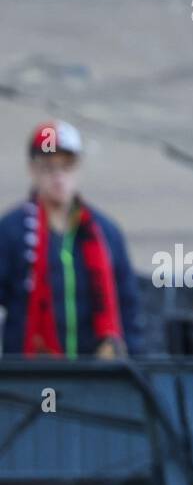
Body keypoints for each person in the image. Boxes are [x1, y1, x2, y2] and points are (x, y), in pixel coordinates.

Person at [0, 120, 139, 358]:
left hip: (93, 377)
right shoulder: (12, 231)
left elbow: (129, 306)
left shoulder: (105, 233)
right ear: (33, 170)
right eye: (49, 168)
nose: (59, 177)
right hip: (30, 376)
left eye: (67, 167)